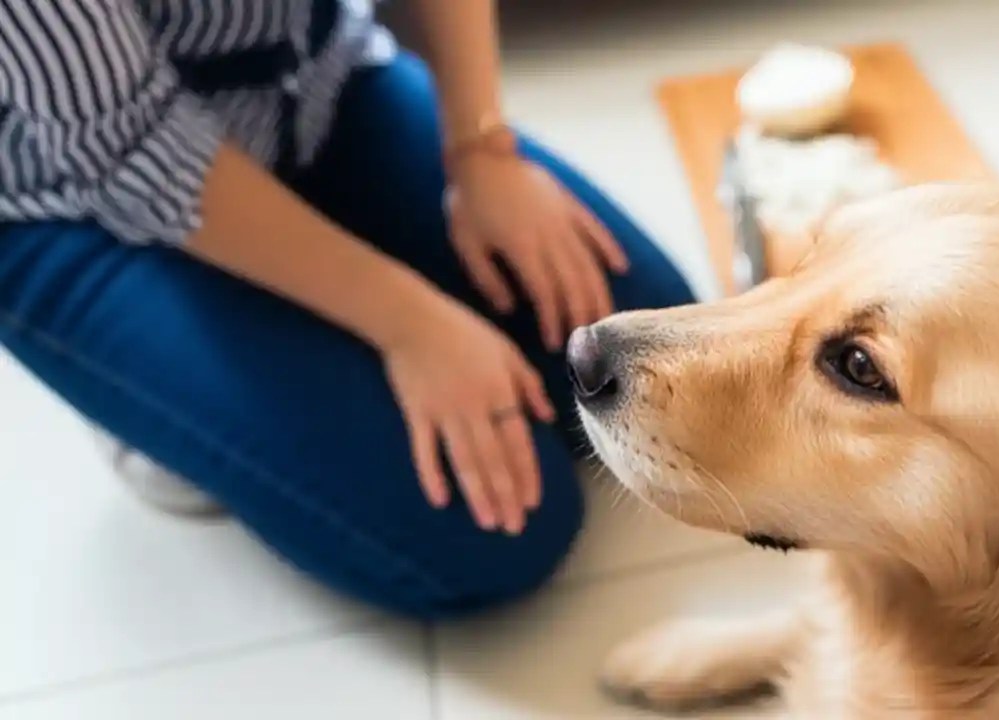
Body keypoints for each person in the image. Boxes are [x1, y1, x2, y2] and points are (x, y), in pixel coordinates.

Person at [0, 0, 694, 618]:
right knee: (500, 529)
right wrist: (409, 323)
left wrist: (481, 148)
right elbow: (130, 143)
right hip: (76, 206)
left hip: (314, 89)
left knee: (658, 368)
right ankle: (148, 400)